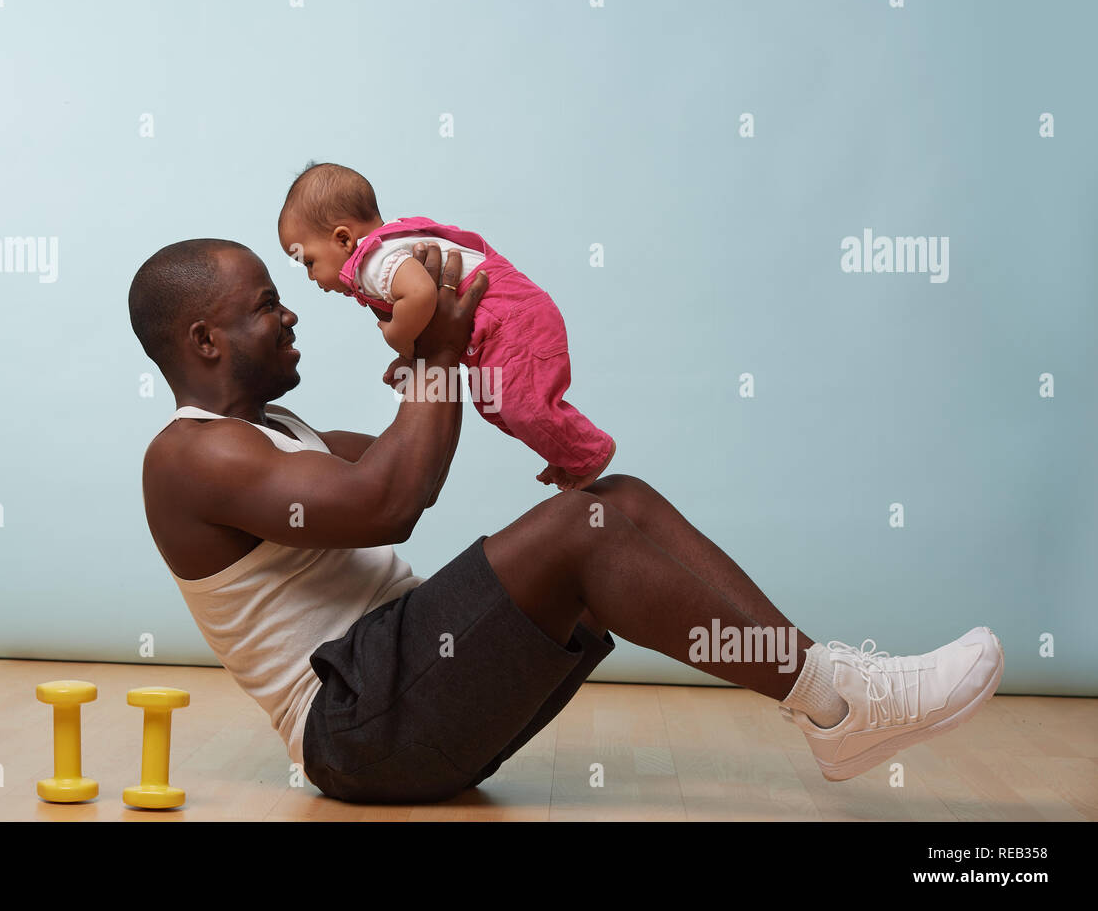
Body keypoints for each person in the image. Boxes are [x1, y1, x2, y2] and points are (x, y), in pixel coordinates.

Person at [128, 237, 1005, 804]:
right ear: (204, 341)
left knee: (614, 500)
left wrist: (462, 349)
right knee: (578, 531)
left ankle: (833, 699)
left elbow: (409, 450)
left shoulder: (276, 433)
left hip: (407, 687)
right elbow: (391, 503)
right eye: (264, 305)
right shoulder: (189, 456)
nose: (288, 314)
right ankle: (843, 703)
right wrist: (433, 354)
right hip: (357, 722)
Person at [277, 161, 615, 490]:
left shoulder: (373, 260)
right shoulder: (387, 248)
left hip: (510, 319)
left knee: (519, 404)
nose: (310, 276)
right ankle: (565, 448)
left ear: (343, 239)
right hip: (499, 325)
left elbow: (422, 294)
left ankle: (589, 453)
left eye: (309, 261)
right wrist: (414, 357)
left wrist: (398, 336)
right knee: (494, 404)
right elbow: (428, 315)